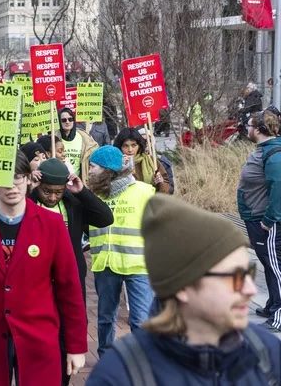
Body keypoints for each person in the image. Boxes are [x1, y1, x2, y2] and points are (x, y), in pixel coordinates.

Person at [87, 194, 281, 385]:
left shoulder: (266, 351)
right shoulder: (120, 374)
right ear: (183, 287)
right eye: (235, 278)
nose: (251, 290)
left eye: (250, 273)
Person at [0, 151, 87, 385]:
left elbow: (69, 289)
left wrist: (76, 346)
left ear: (29, 179)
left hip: (37, 337)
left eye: (18, 177)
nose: (12, 186)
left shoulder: (51, 225)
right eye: (4, 179)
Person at [87, 145, 155, 358]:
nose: (89, 171)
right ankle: (106, 358)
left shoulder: (144, 191)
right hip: (105, 263)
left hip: (138, 265)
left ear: (107, 169)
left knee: (141, 320)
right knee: (106, 317)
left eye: (93, 166)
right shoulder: (95, 195)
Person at [31, 158, 114, 300]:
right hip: (35, 273)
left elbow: (105, 218)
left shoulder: (74, 204)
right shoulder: (27, 202)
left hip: (69, 273)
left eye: (58, 192)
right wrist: (27, 190)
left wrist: (82, 192)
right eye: (46, 191)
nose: (52, 197)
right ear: (38, 184)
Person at [238, 108, 281, 332]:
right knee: (269, 264)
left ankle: (279, 316)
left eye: (250, 125)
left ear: (259, 129)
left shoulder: (273, 154)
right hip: (255, 218)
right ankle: (274, 304)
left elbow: (278, 190)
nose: (247, 128)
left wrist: (269, 220)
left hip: (267, 222)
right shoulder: (264, 149)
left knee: (276, 267)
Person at [113, 128, 170, 194]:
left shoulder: (151, 160)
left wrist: (160, 183)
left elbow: (167, 188)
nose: (130, 150)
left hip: (147, 201)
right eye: (125, 146)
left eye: (134, 145)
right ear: (120, 147)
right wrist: (121, 168)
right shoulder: (114, 163)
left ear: (139, 146)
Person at [56, 107, 99, 183]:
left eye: (70, 119)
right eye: (63, 120)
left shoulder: (84, 137)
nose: (67, 122)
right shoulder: (54, 139)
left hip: (79, 182)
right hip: (59, 182)